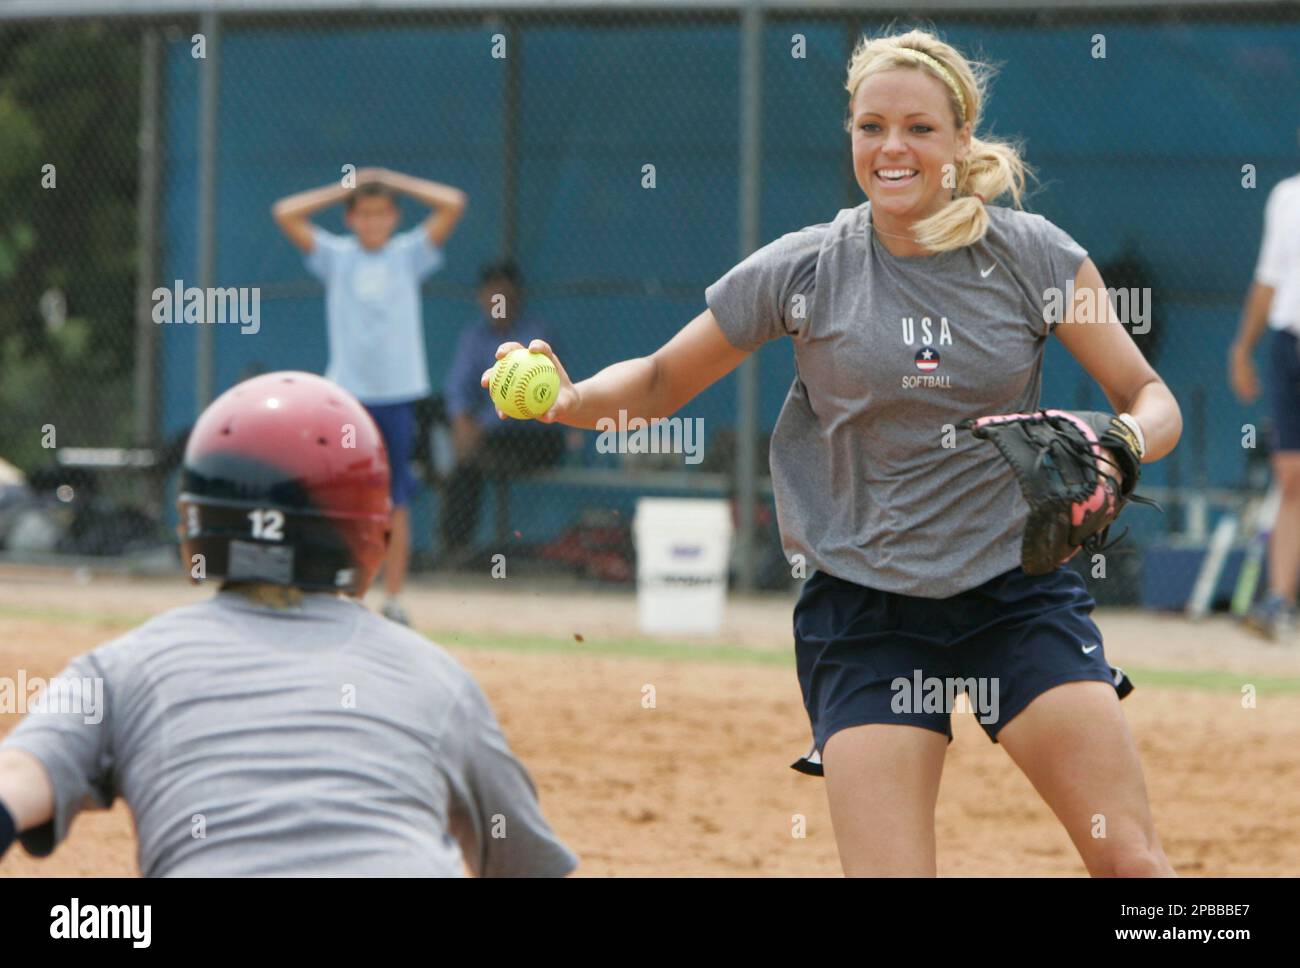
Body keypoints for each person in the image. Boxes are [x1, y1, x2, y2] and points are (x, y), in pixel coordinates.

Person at [483, 29, 1183, 877]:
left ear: (961, 140)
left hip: (1018, 591)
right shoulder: (810, 267)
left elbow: (1152, 399)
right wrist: (575, 398)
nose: (893, 147)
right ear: (851, 134)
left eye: (920, 129)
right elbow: (664, 381)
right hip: (866, 608)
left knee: (1132, 867)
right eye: (871, 126)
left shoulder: (1032, 254)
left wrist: (1120, 445)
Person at [0, 372, 576, 878]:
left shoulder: (122, 667)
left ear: (193, 521)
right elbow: (531, 868)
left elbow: (17, 781)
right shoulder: (436, 678)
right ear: (372, 528)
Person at [272, 167, 468, 624]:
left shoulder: (408, 255)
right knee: (343, 495)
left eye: (382, 213)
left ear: (395, 216)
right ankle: (346, 592)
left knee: (394, 497)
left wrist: (391, 180)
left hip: (397, 396)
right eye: (364, 213)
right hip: (348, 396)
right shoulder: (337, 258)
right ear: (351, 218)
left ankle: (394, 597)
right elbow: (285, 213)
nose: (374, 221)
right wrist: (346, 186)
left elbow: (453, 202)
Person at [439, 261, 564, 566]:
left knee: (471, 456)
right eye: (490, 293)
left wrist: (479, 426)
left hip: (534, 435)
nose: (497, 300)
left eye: (504, 293)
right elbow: (457, 388)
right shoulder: (474, 336)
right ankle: (455, 551)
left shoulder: (535, 334)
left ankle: (475, 554)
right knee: (465, 460)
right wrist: (460, 420)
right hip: (488, 438)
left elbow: (528, 397)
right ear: (481, 297)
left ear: (517, 296)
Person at [1229, 155, 1300, 642]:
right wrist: (1243, 347)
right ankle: (1279, 601)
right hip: (1288, 343)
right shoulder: (1286, 196)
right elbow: (1269, 280)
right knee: (1291, 474)